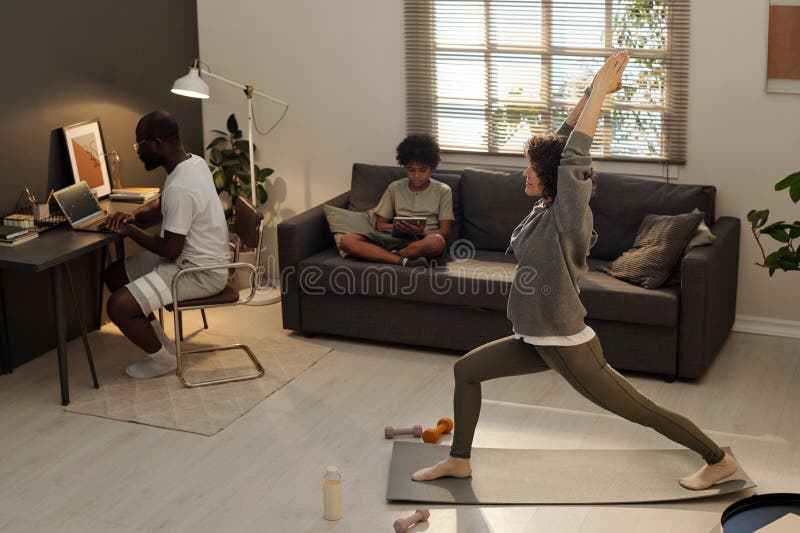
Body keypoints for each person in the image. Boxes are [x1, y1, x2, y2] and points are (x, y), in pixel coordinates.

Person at [411, 52, 739, 491]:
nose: (523, 173)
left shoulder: (568, 213)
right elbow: (562, 142)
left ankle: (717, 459)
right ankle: (459, 460)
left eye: (530, 168)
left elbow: (573, 156)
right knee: (467, 370)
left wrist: (601, 95)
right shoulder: (544, 206)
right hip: (534, 335)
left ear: (552, 180)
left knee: (638, 409)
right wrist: (589, 93)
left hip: (565, 341)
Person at [100, 111, 230, 379]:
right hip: (190, 261)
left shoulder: (182, 185)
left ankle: (163, 362)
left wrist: (130, 231)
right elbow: (164, 204)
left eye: (140, 144)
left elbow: (171, 250)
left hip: (199, 272)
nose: (138, 151)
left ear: (158, 143)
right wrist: (133, 216)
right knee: (114, 274)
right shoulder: (192, 163)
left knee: (118, 306)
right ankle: (166, 348)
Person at [337, 134, 454, 267]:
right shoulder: (395, 188)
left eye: (422, 170)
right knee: (346, 241)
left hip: (424, 240)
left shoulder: (443, 190)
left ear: (431, 168)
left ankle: (389, 255)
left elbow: (445, 232)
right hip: (394, 237)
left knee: (437, 242)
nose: (416, 176)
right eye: (411, 170)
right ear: (404, 167)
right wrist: (398, 227)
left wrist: (420, 231)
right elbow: (380, 225)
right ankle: (403, 260)